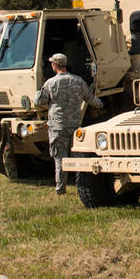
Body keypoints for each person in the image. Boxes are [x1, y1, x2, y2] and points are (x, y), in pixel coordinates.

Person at [35, 52, 103, 194]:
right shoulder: (78, 81)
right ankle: (81, 185)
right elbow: (90, 99)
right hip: (75, 125)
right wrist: (100, 104)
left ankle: (60, 188)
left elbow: (38, 101)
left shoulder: (51, 83)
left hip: (57, 126)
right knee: (78, 158)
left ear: (54, 65)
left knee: (59, 157)